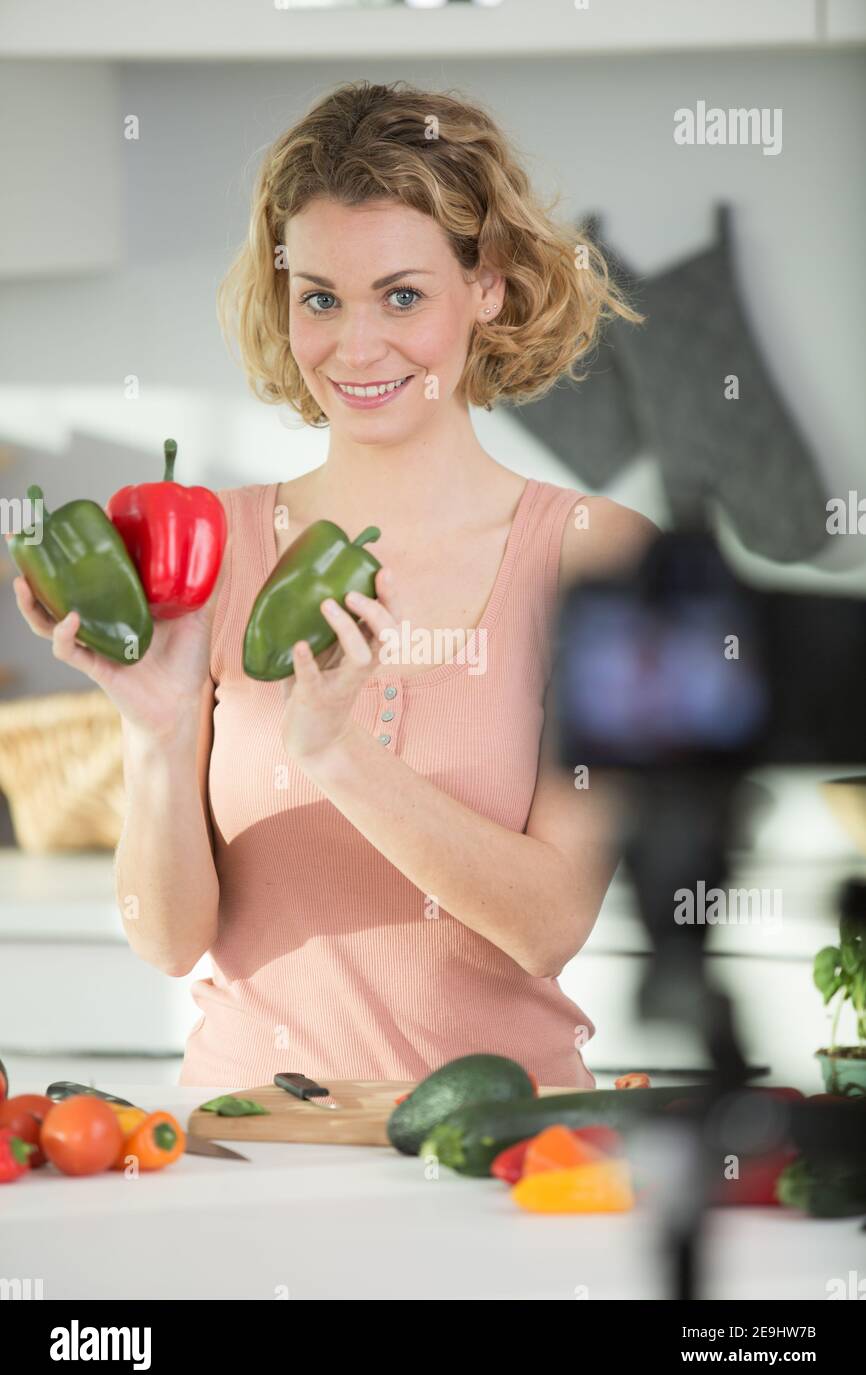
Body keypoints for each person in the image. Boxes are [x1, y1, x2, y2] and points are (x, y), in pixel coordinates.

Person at [12, 80, 659, 1088]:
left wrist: (334, 751)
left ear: (484, 285)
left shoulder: (595, 554)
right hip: (251, 1146)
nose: (355, 348)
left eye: (401, 295)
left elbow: (548, 923)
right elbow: (166, 939)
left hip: (501, 1158)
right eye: (320, 297)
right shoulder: (209, 545)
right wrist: (157, 730)